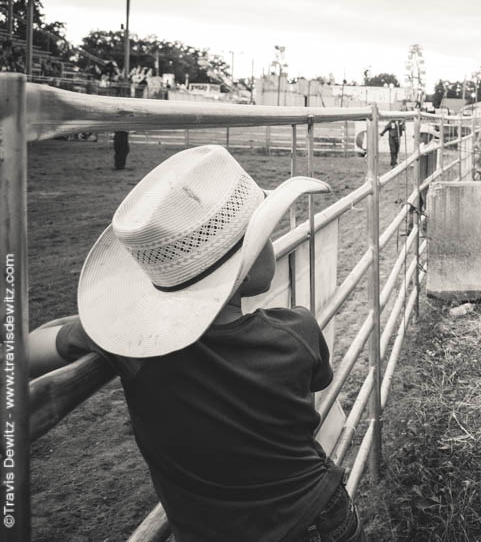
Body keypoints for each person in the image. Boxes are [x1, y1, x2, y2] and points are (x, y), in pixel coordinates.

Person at [28, 145, 363, 542]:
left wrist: (92, 328)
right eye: (265, 235)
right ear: (246, 259)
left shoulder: (135, 350)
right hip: (317, 518)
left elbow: (29, 351)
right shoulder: (297, 332)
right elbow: (306, 407)